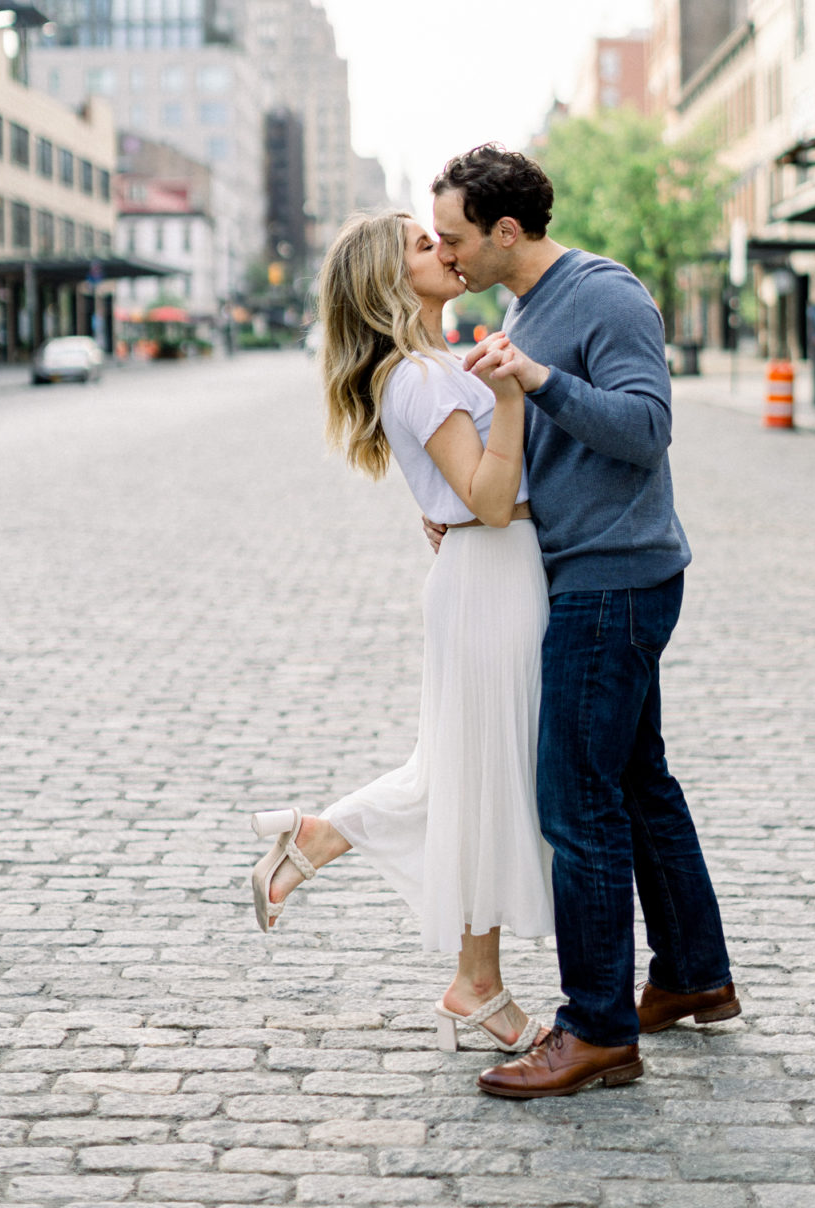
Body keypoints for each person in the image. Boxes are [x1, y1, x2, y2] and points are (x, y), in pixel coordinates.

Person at [427, 145, 738, 1101]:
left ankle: (596, 1028)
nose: (447, 255)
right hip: (590, 574)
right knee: (638, 782)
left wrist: (538, 380)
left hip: (613, 580)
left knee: (577, 802)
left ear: (506, 232)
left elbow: (646, 431)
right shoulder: (524, 305)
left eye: (454, 238)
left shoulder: (604, 296)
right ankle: (690, 975)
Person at [249, 210, 555, 1056]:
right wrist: (508, 395)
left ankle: (323, 841)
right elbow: (490, 499)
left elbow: (470, 498)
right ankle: (477, 987)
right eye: (426, 246)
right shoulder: (422, 378)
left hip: (490, 572)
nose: (447, 251)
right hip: (491, 572)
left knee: (471, 776)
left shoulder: (432, 367)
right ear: (391, 280)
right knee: (489, 784)